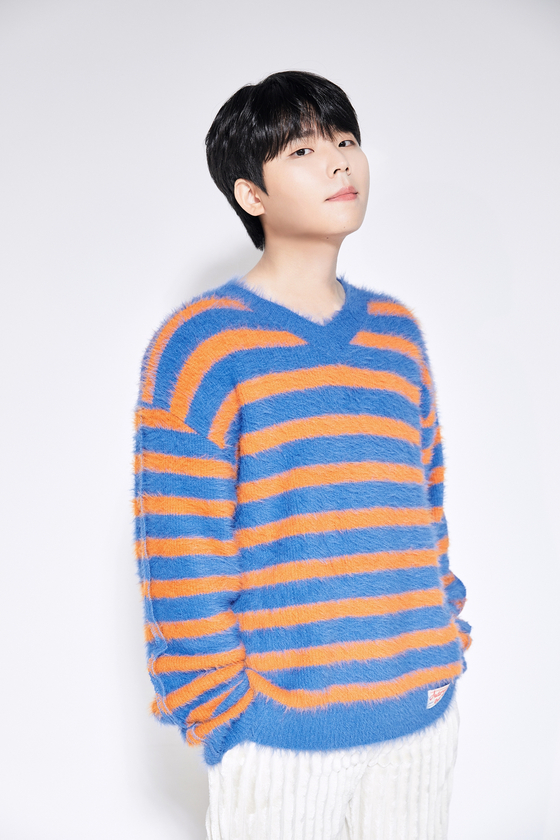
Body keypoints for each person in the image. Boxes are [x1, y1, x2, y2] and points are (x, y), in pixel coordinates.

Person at [134, 70, 472, 840]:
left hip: (421, 713)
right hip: (279, 738)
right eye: (303, 150)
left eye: (346, 140)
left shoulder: (396, 335)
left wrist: (446, 635)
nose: (339, 161)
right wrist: (224, 713)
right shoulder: (202, 345)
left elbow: (425, 508)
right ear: (251, 194)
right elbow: (181, 547)